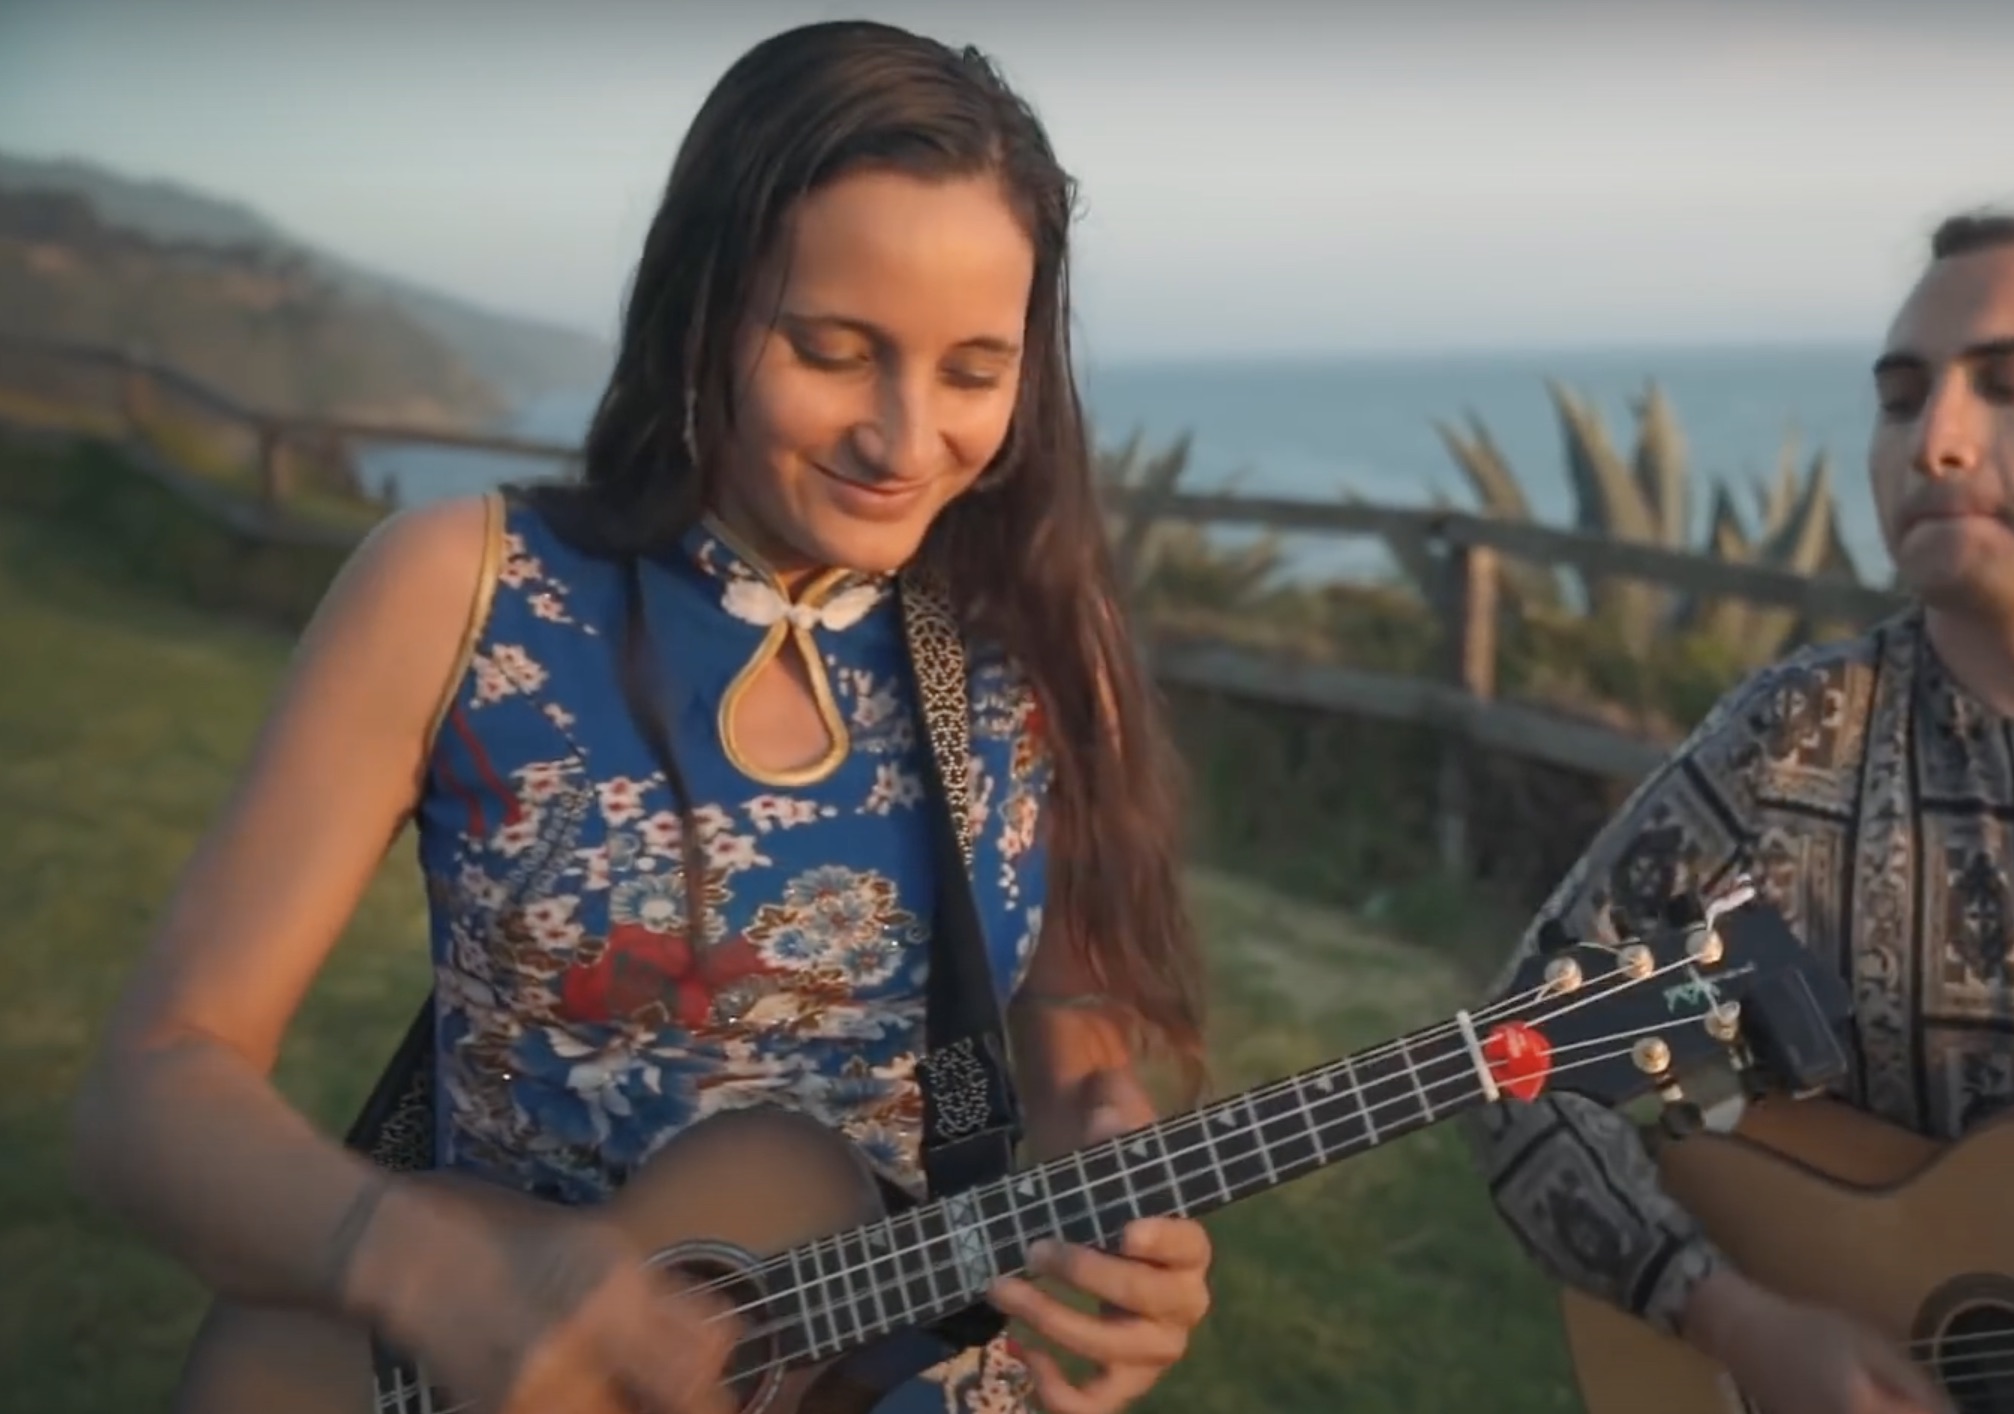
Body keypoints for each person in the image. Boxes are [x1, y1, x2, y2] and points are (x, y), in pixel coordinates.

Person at [69, 20, 1215, 1414]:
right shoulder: (462, 590)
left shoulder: (1034, 652)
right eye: (834, 349)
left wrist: (1115, 1175)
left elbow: (1074, 1048)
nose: (906, 440)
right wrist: (419, 1268)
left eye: (973, 372)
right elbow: (151, 1086)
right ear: (701, 308)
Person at [1467, 208, 2014, 1414]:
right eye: (1898, 397)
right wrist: (1735, 1319)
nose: (1934, 442)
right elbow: (1520, 1062)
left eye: (2004, 383)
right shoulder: (1796, 739)